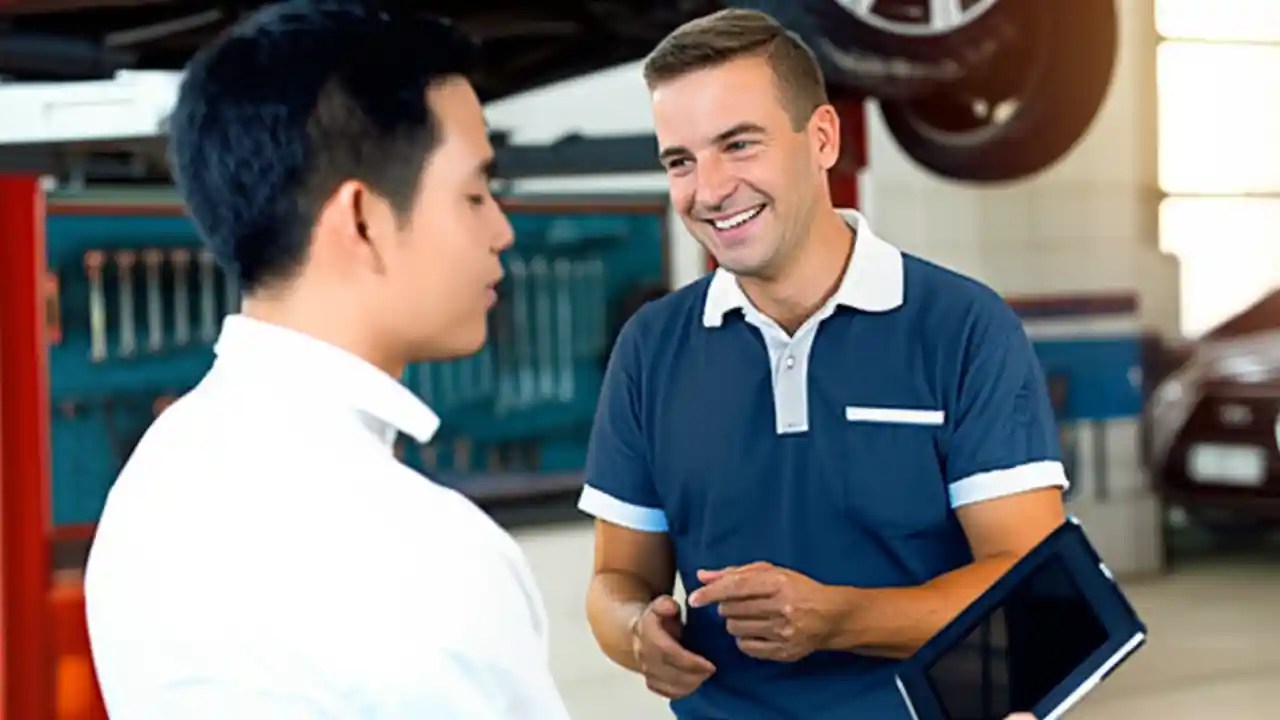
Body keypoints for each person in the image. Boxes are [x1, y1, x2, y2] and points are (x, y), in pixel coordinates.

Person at [578, 8, 1069, 720]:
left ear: (823, 139)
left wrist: (840, 619)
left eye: (738, 145)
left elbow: (1032, 591)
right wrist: (634, 630)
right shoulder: (651, 348)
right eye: (680, 161)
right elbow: (616, 577)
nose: (708, 190)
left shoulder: (962, 328)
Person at [83, 2, 570, 718]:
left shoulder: (153, 482)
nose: (501, 230)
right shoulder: (427, 555)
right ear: (362, 219)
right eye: (475, 194)